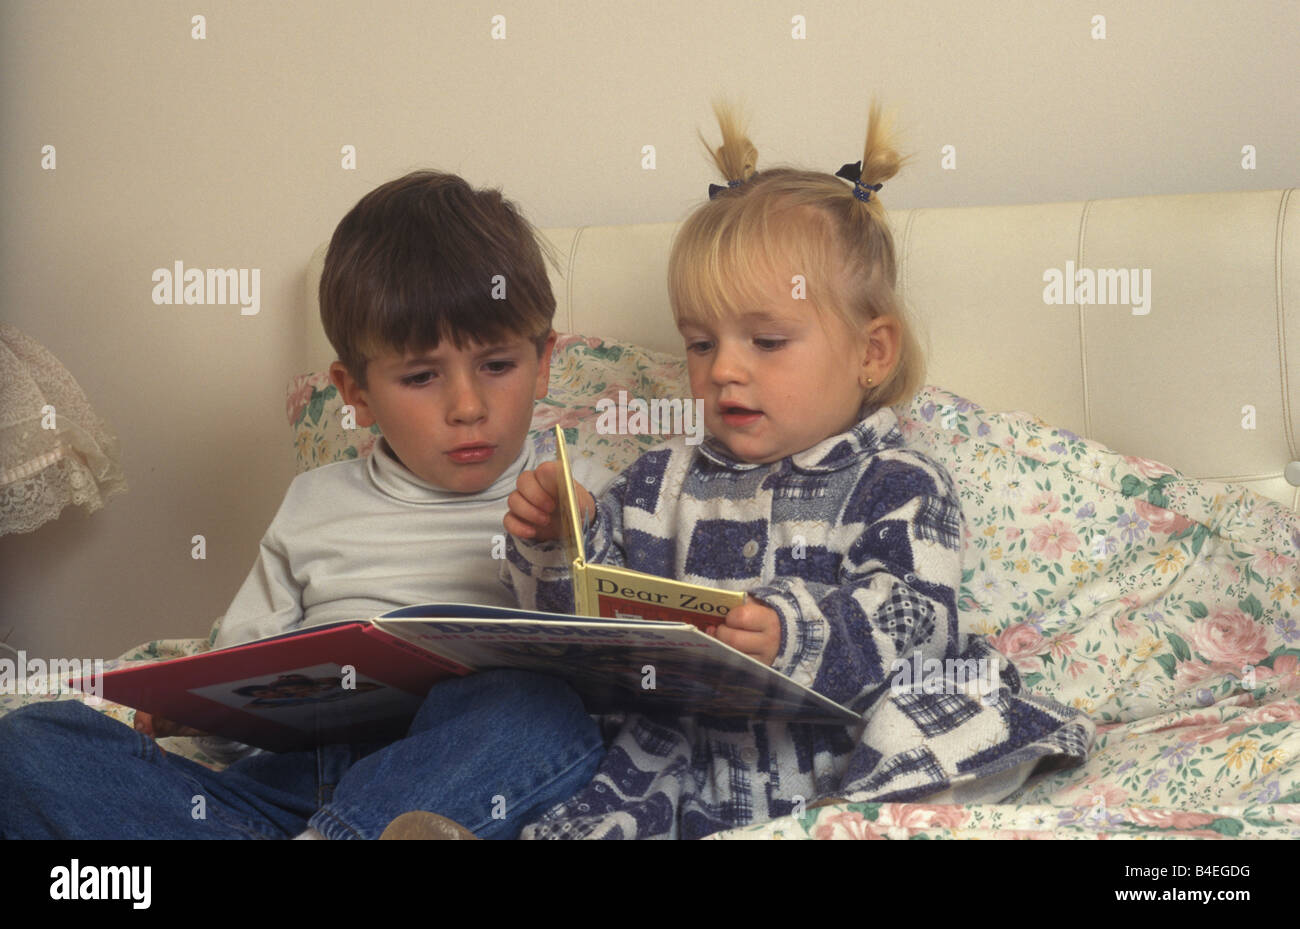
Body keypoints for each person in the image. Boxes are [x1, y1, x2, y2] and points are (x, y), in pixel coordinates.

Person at [504, 103, 1093, 839]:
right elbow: (583, 635)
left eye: (768, 340)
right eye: (698, 343)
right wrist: (561, 540)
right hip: (686, 764)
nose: (722, 369)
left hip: (839, 760)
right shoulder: (660, 482)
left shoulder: (898, 482)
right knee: (572, 787)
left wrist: (793, 630)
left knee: (944, 718)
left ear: (871, 353)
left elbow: (913, 620)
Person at [0, 171, 607, 840]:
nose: (468, 406)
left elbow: (620, 672)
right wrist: (202, 714)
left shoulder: (576, 491)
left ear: (545, 359)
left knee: (537, 708)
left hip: (449, 783)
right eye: (421, 376)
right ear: (357, 392)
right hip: (291, 785)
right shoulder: (315, 502)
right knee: (28, 743)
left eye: (497, 364)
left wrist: (566, 539)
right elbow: (239, 673)